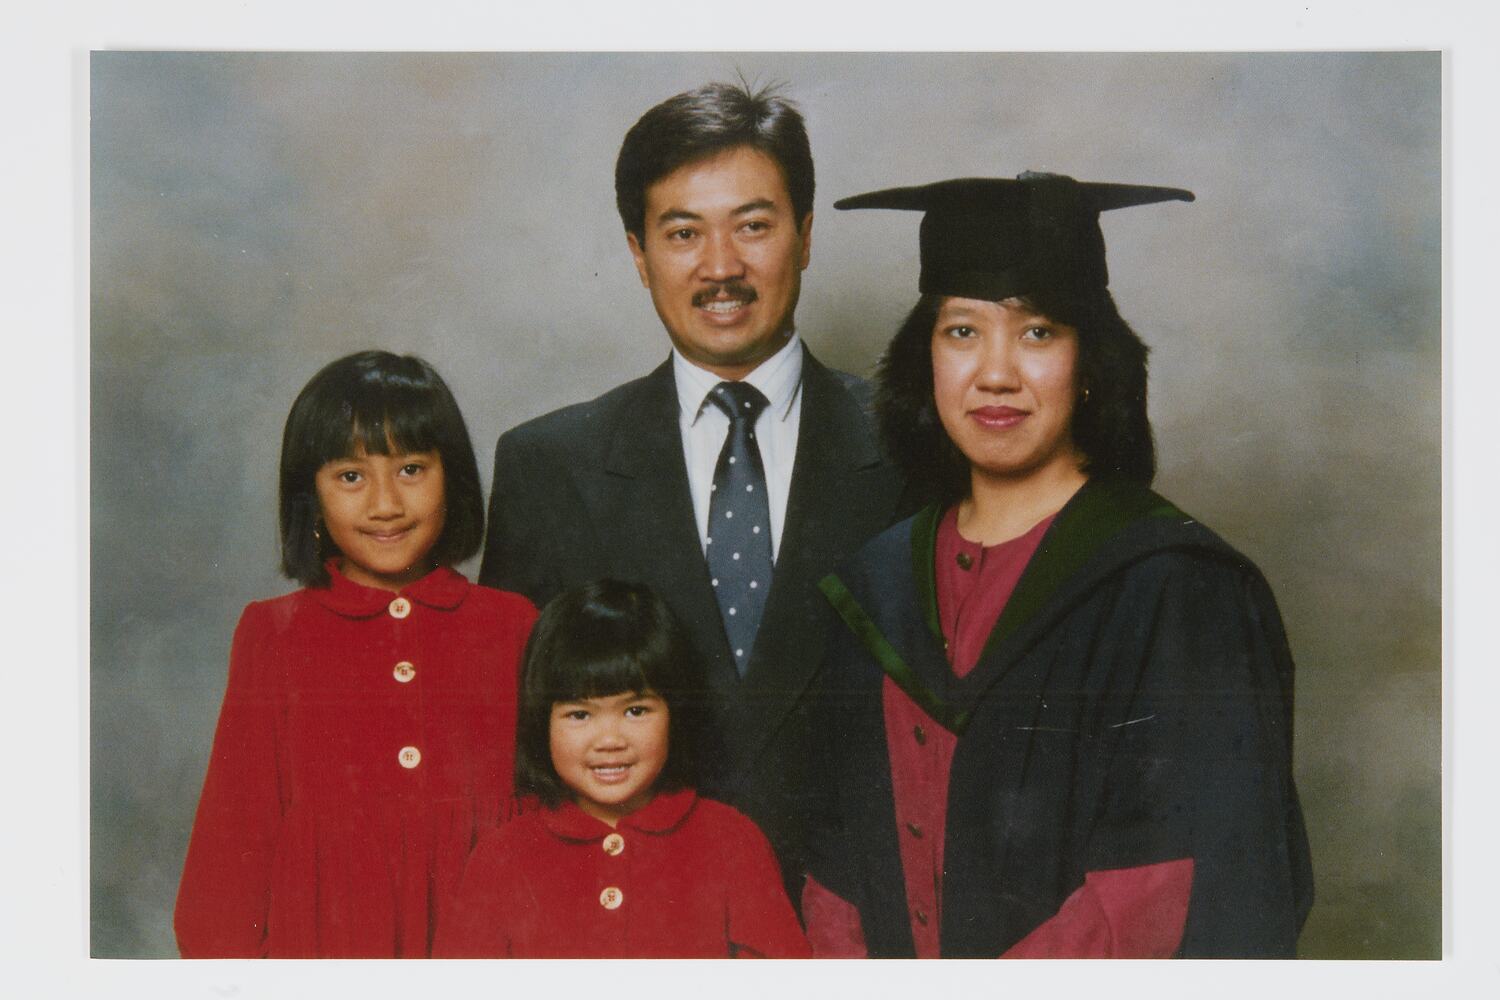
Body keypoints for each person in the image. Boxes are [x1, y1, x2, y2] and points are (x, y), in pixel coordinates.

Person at [801, 173, 1314, 958]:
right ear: (924, 358)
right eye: (962, 331)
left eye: (1037, 333)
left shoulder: (1177, 587)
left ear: (1091, 362)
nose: (995, 373)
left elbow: (1166, 892)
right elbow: (834, 870)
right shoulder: (876, 586)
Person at [477, 82, 907, 890]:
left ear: (805, 236)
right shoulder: (548, 467)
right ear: (639, 255)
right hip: (629, 918)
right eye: (683, 233)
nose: (721, 268)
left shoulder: (917, 448)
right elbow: (521, 759)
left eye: (753, 225)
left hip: (863, 923)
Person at [174, 350, 538, 958]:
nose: (385, 504)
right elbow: (229, 852)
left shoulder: (514, 626)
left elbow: (557, 833)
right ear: (310, 496)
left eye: (411, 469)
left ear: (453, 478)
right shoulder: (273, 635)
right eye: (350, 477)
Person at [434, 579, 810, 958]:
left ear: (674, 713)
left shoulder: (732, 842)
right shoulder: (501, 857)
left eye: (635, 711)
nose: (610, 740)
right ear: (541, 722)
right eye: (579, 715)